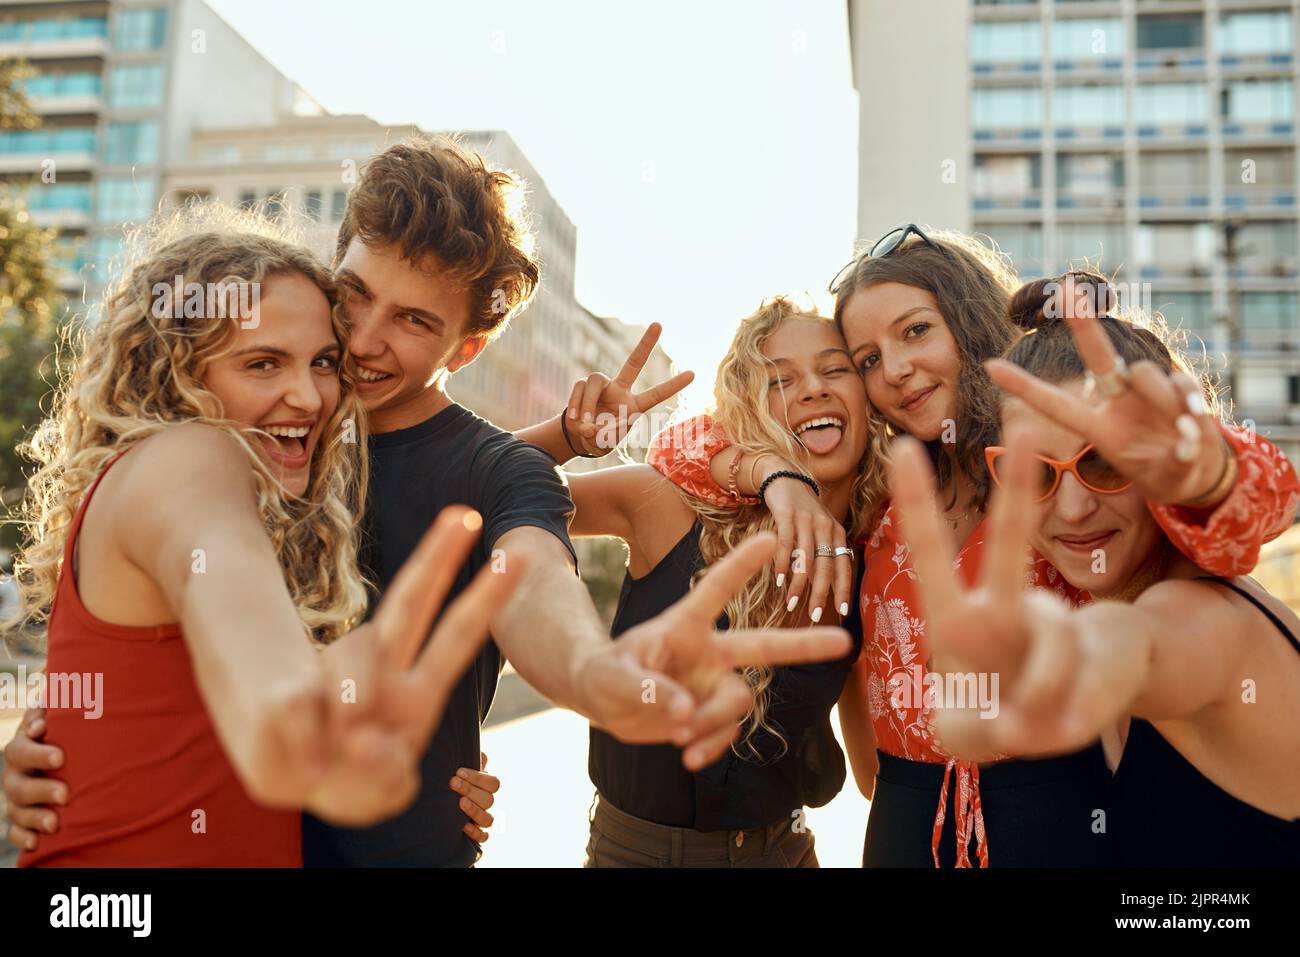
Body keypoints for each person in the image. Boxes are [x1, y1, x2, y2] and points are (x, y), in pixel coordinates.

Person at [6, 136, 850, 867]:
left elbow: (529, 574)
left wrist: (596, 672)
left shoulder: (497, 474)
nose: (364, 340)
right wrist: (61, 723)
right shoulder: (239, 443)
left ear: (469, 344)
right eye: (355, 294)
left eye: (413, 320)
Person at [642, 230, 1300, 865]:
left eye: (916, 330)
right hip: (903, 824)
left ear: (971, 321)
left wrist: (1206, 473)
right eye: (868, 359)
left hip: (1062, 818)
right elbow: (679, 446)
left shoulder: (1066, 468)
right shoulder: (878, 486)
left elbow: (1253, 511)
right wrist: (775, 477)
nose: (895, 369)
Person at [3, 205, 523, 866]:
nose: (307, 397)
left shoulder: (256, 499)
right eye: (262, 364)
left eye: (323, 362)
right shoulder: (190, 458)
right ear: (177, 373)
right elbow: (240, 621)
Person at [892, 291, 1300, 866]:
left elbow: (1132, 651)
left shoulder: (1205, 622)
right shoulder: (1126, 595)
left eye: (1105, 461)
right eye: (1035, 473)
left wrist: (1050, 663)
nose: (1075, 507)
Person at [518, 297, 881, 866]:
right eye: (779, 380)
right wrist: (568, 435)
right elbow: (476, 488)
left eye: (836, 369)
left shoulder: (872, 560)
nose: (813, 388)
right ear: (747, 410)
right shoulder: (664, 507)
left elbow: (878, 778)